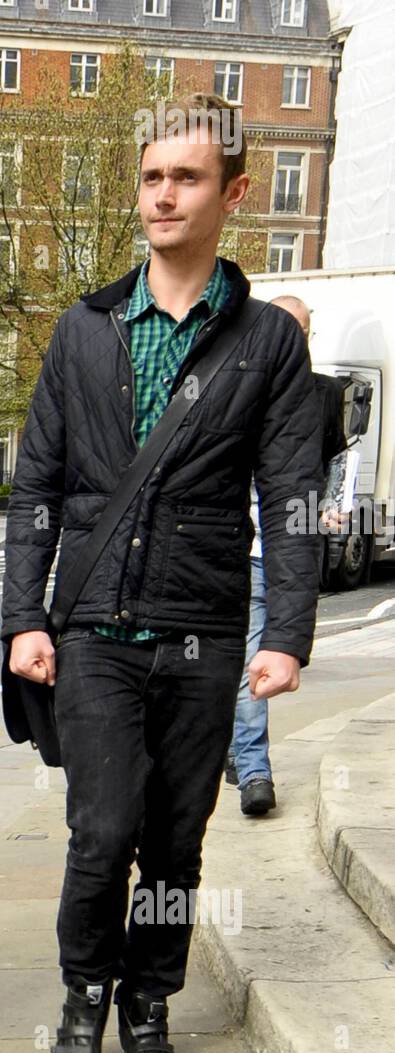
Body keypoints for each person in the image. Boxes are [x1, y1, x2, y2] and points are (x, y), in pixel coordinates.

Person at [1, 93, 322, 1053]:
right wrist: (21, 616)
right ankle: (81, 992)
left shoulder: (266, 342)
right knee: (100, 831)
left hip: (203, 626)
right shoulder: (85, 327)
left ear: (232, 192)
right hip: (92, 624)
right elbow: (38, 485)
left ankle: (149, 1001)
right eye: (151, 177)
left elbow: (292, 493)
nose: (163, 196)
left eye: (186, 178)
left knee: (176, 839)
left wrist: (288, 632)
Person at [225, 294, 347, 815]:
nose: (295, 339)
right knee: (251, 660)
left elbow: (339, 457)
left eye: (303, 330)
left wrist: (332, 506)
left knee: (264, 658)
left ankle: (237, 751)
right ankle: (254, 770)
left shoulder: (324, 393)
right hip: (244, 549)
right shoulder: (235, 385)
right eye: (287, 327)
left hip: (292, 547)